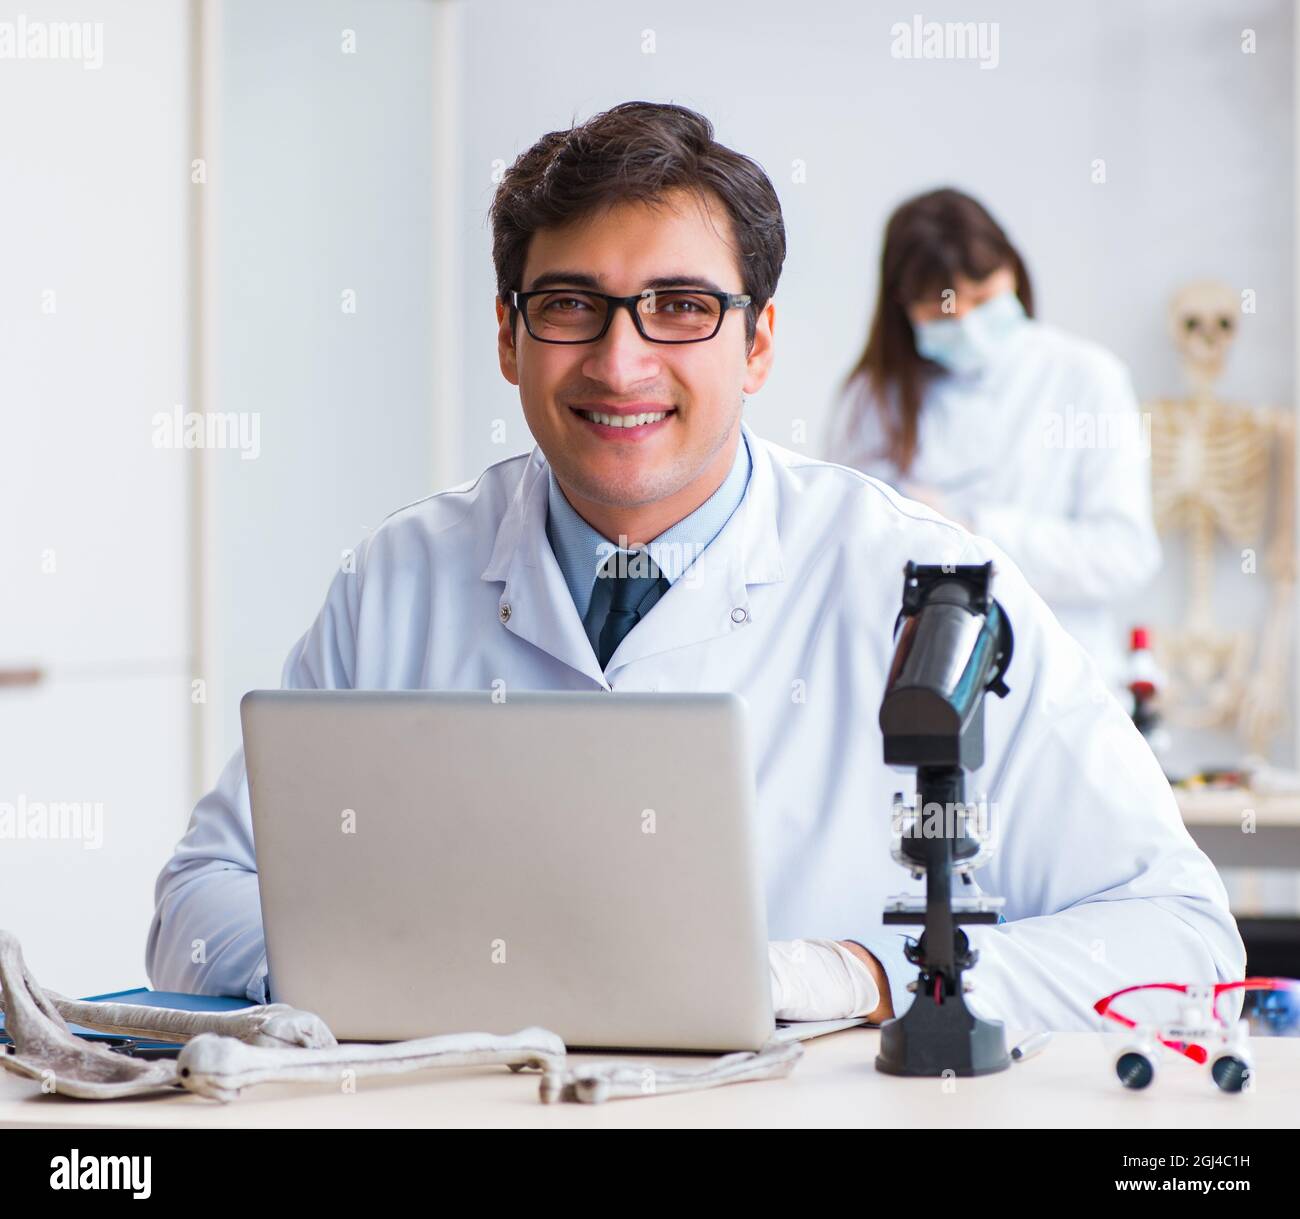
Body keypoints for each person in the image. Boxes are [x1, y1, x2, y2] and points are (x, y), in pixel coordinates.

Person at [147, 103, 1243, 1033]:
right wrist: (392, 975)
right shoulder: (397, 578)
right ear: (507, 337)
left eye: (681, 307)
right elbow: (198, 902)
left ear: (757, 342)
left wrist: (866, 979)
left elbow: (1183, 939)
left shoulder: (932, 580)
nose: (620, 363)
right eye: (569, 305)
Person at [829, 188, 1162, 691]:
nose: (966, 322)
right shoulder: (874, 397)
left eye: (982, 299)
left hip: (1064, 681)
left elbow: (1124, 554)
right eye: (943, 311)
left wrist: (970, 530)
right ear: (903, 305)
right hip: (918, 679)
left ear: (1013, 270)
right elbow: (846, 551)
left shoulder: (1086, 377)